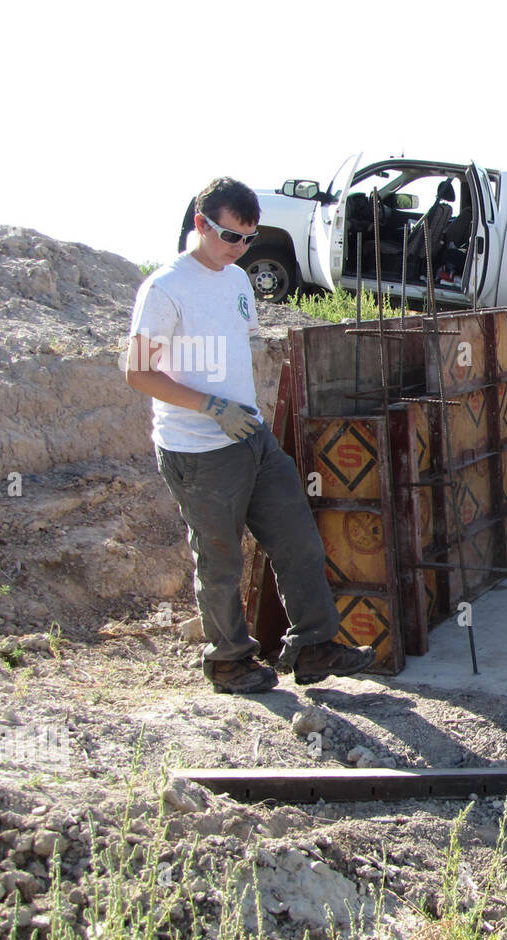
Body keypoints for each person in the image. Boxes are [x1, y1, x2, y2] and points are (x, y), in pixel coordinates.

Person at [126, 176, 376, 694]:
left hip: (251, 438)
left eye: (248, 239)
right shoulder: (165, 288)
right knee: (220, 561)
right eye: (231, 236)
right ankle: (229, 661)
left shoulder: (237, 280)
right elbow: (137, 372)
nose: (240, 248)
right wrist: (210, 406)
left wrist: (240, 410)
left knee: (298, 540)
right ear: (201, 225)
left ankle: (313, 647)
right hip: (198, 451)